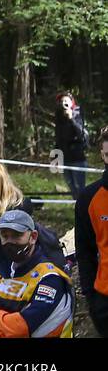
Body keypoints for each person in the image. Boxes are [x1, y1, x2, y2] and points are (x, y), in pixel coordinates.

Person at [0, 209, 75, 338]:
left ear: (33, 237)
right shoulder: (2, 273)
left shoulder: (50, 277)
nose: (10, 242)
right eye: (5, 236)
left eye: (17, 235)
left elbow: (21, 328)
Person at [74, 126, 108, 337]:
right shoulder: (89, 198)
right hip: (104, 299)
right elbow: (84, 252)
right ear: (102, 155)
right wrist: (91, 297)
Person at [53, 91, 89, 199]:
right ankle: (76, 205)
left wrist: (71, 118)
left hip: (77, 156)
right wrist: (55, 157)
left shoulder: (77, 112)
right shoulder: (59, 116)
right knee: (71, 186)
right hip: (64, 157)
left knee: (80, 187)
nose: (64, 103)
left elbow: (80, 133)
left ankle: (83, 207)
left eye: (66, 100)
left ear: (71, 101)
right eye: (62, 101)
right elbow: (58, 138)